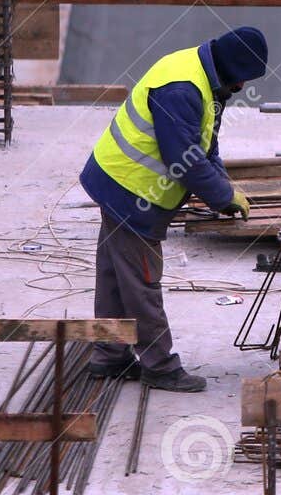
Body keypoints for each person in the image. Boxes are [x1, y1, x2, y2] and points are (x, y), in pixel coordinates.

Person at [80, 27, 266, 392]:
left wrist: (225, 189)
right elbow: (184, 158)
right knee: (142, 280)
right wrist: (221, 196)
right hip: (131, 190)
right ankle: (159, 365)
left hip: (119, 179)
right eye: (242, 78)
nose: (243, 87)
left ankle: (109, 354)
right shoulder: (182, 89)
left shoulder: (203, 75)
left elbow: (205, 144)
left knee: (116, 275)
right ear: (230, 68)